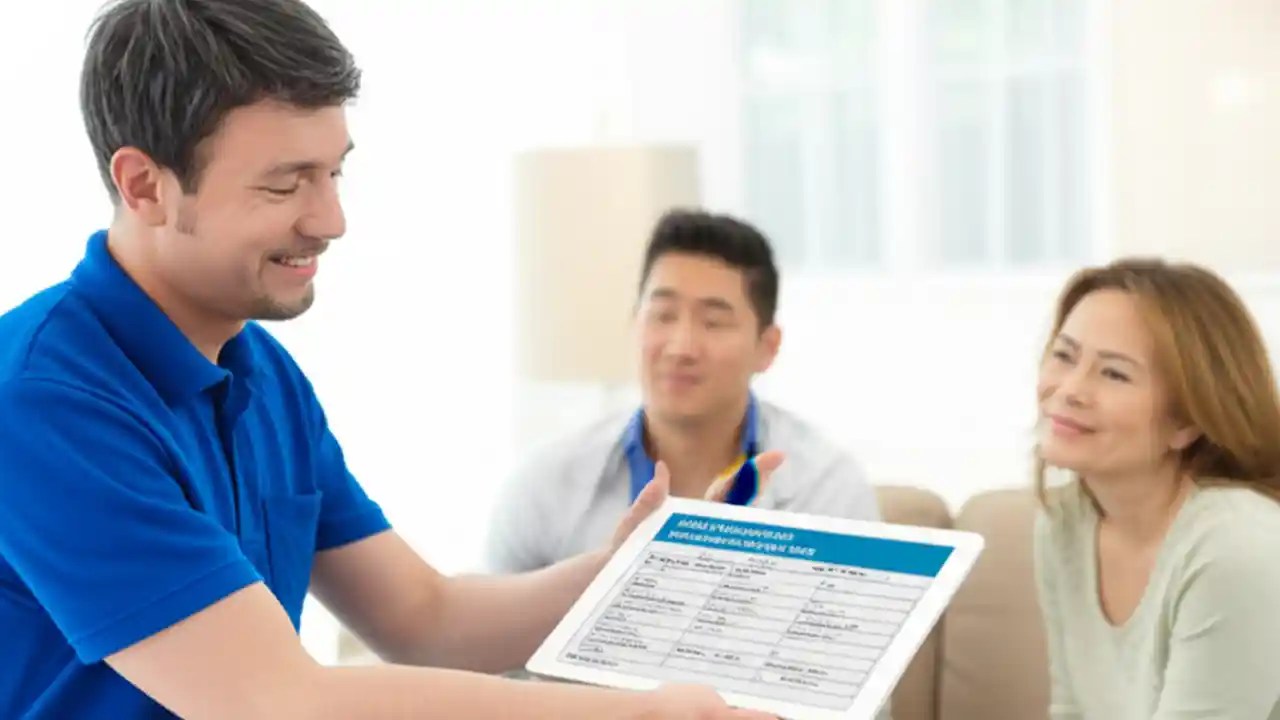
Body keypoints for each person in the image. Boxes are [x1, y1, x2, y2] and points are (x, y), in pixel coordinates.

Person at [0, 2, 783, 718]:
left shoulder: (260, 373)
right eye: (285, 186)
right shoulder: (43, 400)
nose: (331, 220)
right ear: (145, 185)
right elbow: (277, 702)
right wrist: (649, 715)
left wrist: (619, 570)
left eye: (334, 171)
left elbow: (425, 619)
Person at [485, 209, 881, 574]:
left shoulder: (826, 491)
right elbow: (493, 647)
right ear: (633, 323)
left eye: (713, 322)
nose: (681, 347)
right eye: (663, 316)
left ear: (767, 347)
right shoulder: (545, 484)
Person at [1032, 259, 1280, 719]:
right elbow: (1070, 710)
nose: (1068, 389)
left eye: (1114, 374)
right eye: (1065, 355)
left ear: (1186, 421)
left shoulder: (1238, 548)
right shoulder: (1063, 521)